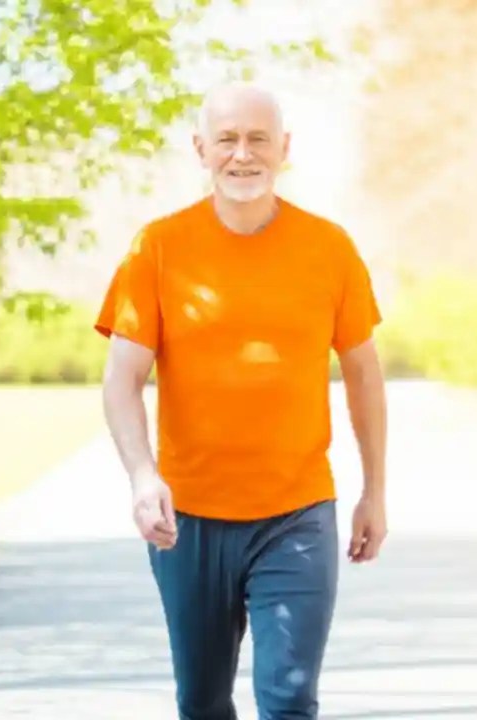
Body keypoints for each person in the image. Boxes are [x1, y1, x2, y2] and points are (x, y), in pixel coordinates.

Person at [94, 80, 388, 720]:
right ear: (201, 149)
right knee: (201, 702)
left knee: (287, 698)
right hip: (190, 521)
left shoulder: (329, 248)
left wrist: (374, 491)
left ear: (285, 148)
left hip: (297, 513)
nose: (243, 154)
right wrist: (144, 478)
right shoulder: (158, 248)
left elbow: (364, 373)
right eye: (227, 139)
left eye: (258, 139)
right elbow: (121, 380)